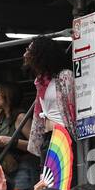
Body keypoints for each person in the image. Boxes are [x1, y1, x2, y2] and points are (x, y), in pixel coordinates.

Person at [23, 36, 76, 172]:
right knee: (48, 181)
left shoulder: (65, 76)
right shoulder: (40, 81)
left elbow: (73, 107)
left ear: (40, 53)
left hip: (64, 136)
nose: (25, 54)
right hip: (48, 138)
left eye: (29, 50)